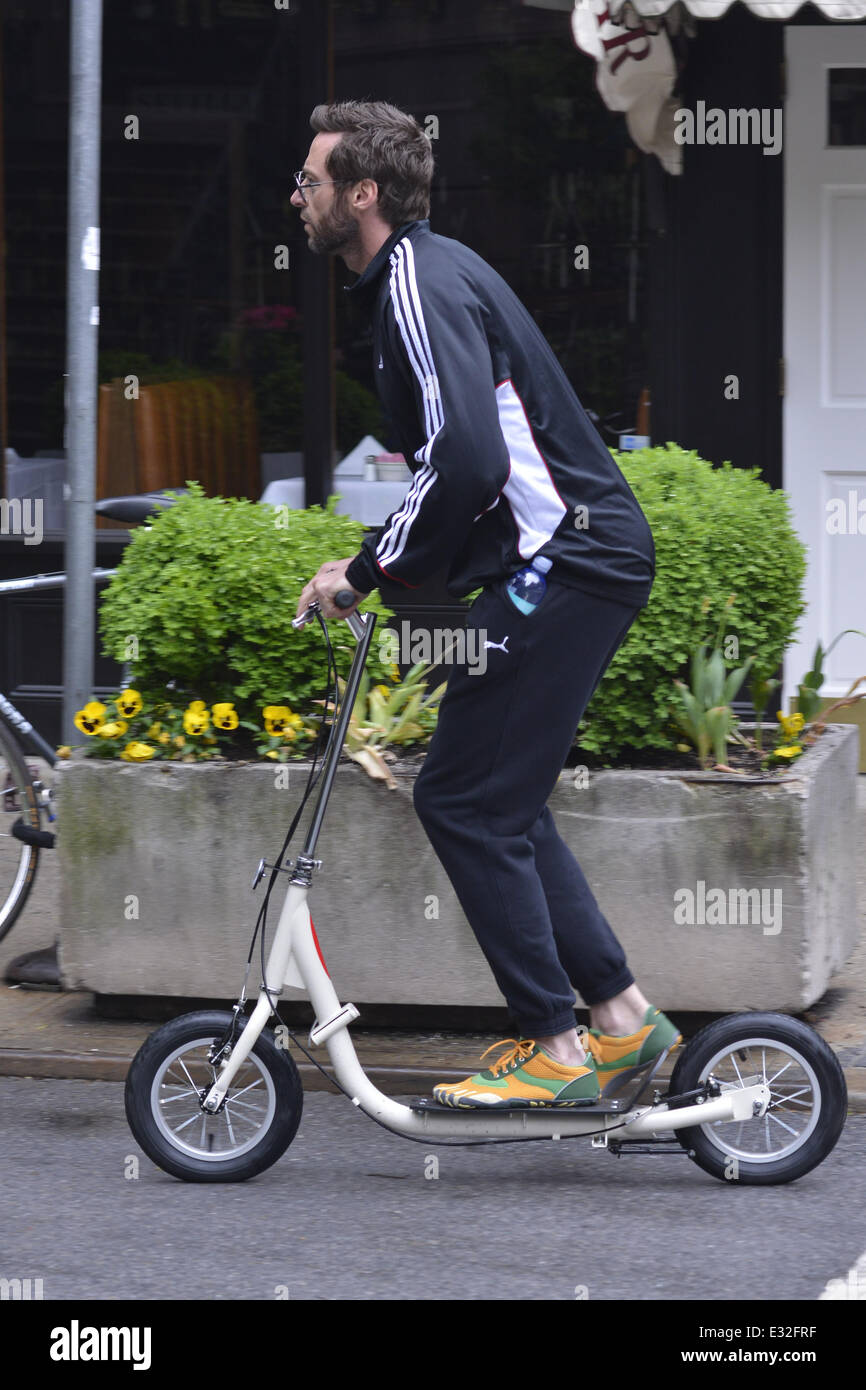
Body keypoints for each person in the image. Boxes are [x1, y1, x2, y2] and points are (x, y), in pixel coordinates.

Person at [292, 100, 680, 1108]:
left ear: (361, 194)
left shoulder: (417, 283)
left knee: (462, 797)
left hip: (567, 559)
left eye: (311, 180)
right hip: (566, 558)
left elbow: (464, 454)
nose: (297, 196)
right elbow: (466, 465)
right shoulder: (423, 274)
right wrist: (391, 566)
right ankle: (620, 1020)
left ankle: (555, 1045)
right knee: (492, 797)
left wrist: (370, 571)